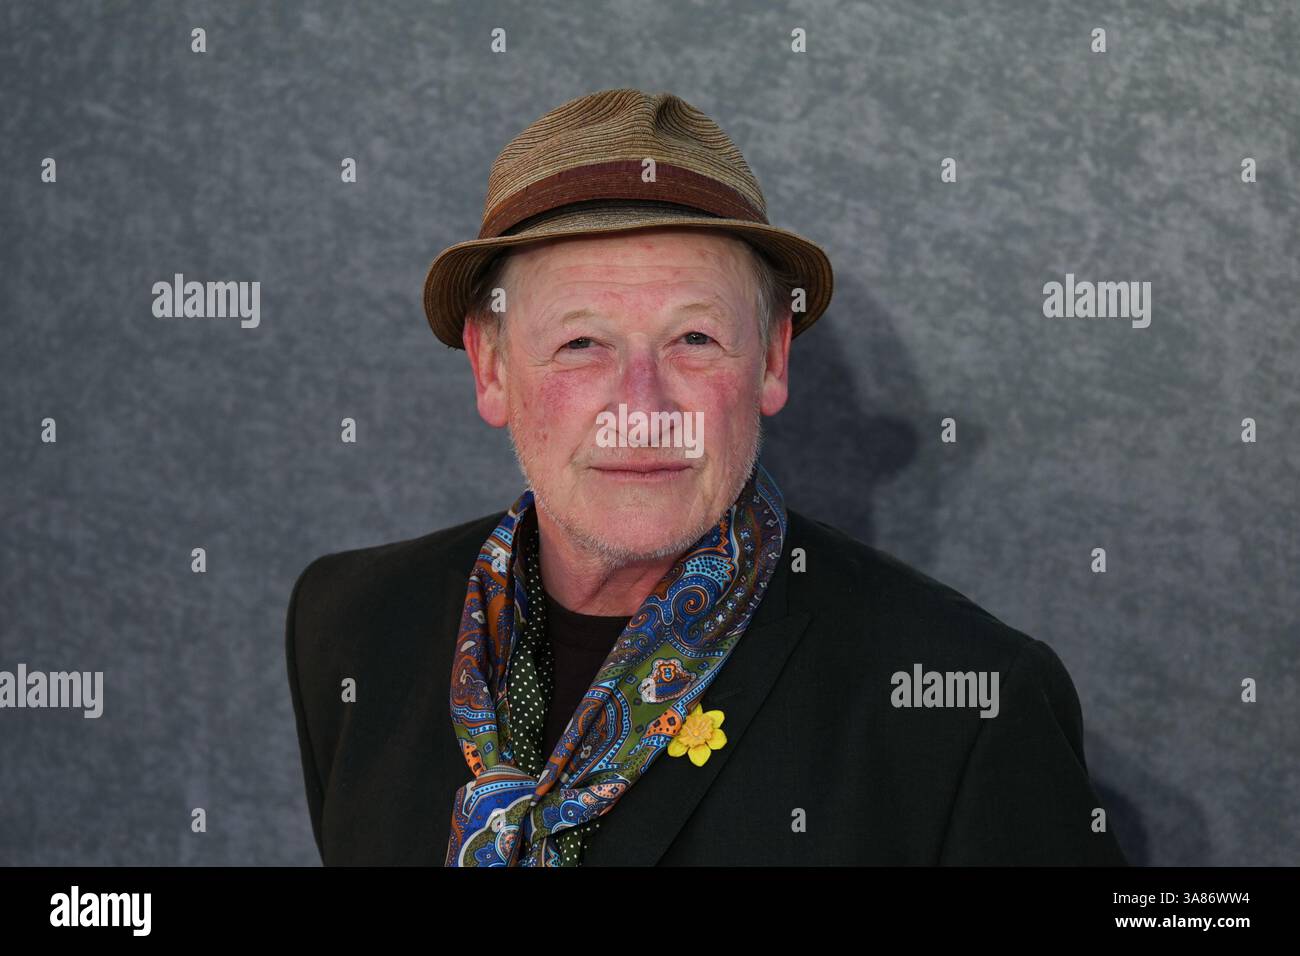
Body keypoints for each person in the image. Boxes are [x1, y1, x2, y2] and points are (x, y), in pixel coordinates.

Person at [285, 87, 1127, 867]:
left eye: (694, 339)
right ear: (492, 368)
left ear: (770, 359)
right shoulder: (352, 627)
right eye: (582, 343)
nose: (642, 404)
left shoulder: (967, 709)